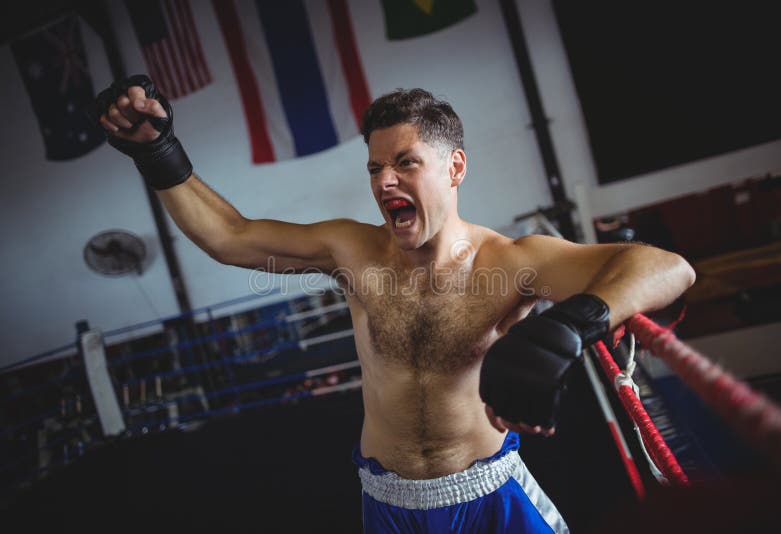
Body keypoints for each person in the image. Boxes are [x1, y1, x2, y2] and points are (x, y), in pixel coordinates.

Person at [95, 76, 695, 533]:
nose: (384, 182)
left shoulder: (514, 261)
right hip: (387, 503)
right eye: (376, 167)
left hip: (490, 497)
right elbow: (231, 238)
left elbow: (668, 267)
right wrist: (157, 150)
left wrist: (570, 325)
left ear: (454, 167)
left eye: (406, 163)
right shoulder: (351, 250)